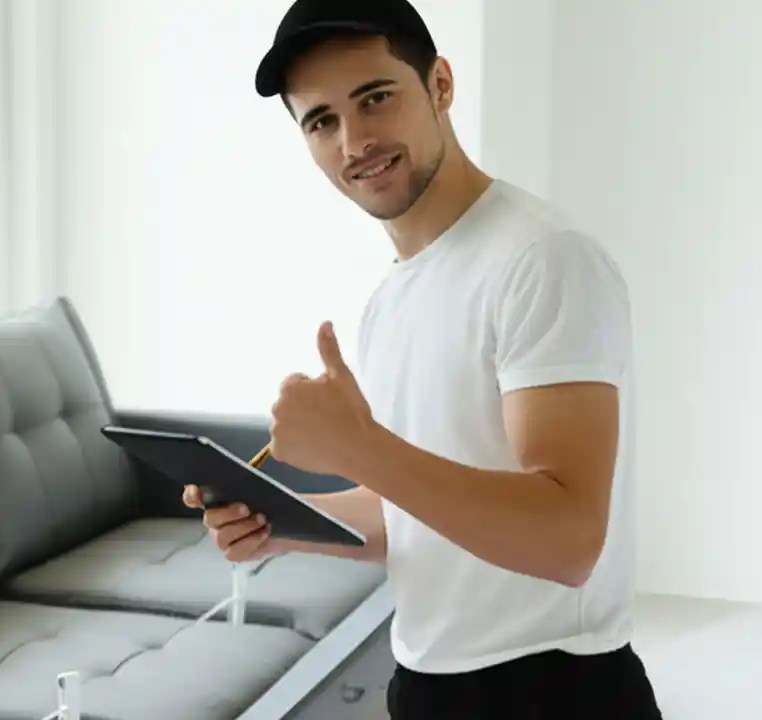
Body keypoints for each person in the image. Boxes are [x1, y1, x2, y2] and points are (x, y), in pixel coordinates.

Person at [180, 1, 664, 717]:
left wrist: (359, 446)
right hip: (428, 684)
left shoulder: (543, 259)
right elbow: (410, 510)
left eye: (375, 98)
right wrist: (281, 521)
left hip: (552, 689)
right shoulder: (392, 298)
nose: (354, 141)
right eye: (322, 121)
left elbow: (568, 541)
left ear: (440, 84)